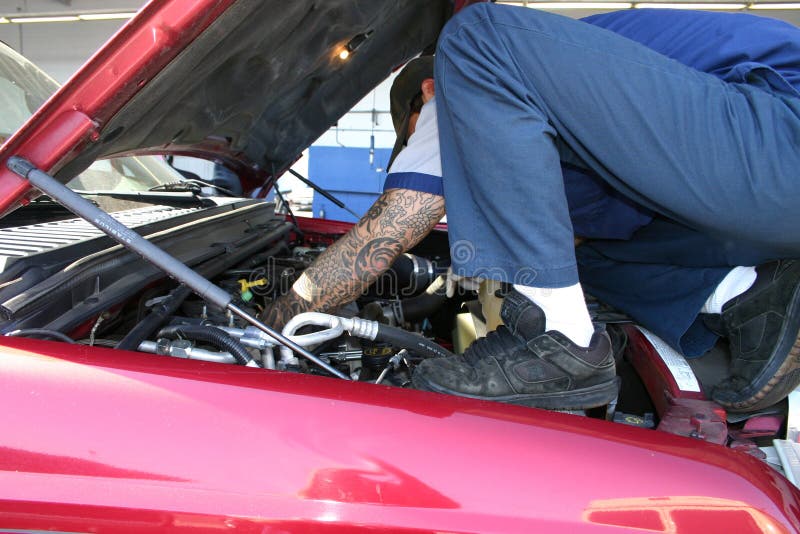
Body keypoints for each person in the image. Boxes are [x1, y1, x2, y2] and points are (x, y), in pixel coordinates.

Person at [263, 5, 800, 413]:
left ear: (423, 98)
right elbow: (556, 242)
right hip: (761, 189)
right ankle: (745, 292)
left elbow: (389, 231)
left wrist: (271, 323)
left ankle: (559, 341)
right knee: (585, 260)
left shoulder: (455, 83)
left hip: (782, 130)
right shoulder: (582, 107)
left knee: (475, 34)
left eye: (413, 144)